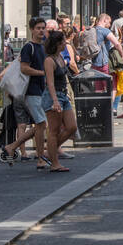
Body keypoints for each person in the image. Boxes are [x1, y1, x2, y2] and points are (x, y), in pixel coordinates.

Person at [12, 17, 52, 167]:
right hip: (31, 90)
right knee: (41, 124)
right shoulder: (29, 47)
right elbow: (24, 68)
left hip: (41, 90)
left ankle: (15, 147)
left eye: (43, 28)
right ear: (31, 30)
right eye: (38, 28)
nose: (41, 30)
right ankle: (40, 158)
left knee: (41, 125)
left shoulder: (43, 47)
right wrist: (42, 73)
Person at [41, 30, 75, 171]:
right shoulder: (49, 60)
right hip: (53, 96)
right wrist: (55, 101)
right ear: (57, 44)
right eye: (63, 42)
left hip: (63, 95)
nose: (65, 43)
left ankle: (50, 151)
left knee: (72, 127)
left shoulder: (60, 56)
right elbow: (50, 83)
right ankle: (55, 163)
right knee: (53, 131)